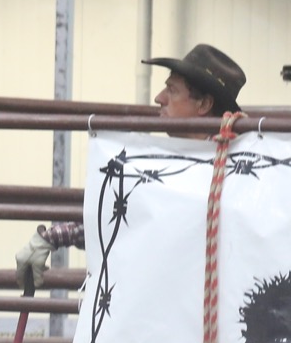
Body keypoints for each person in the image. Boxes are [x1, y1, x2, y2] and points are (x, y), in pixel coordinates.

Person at [14, 45, 246, 291]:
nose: (159, 98)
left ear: (204, 104)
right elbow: (128, 217)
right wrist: (52, 237)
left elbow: (132, 219)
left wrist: (51, 238)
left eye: (172, 90)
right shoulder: (192, 165)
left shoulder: (221, 169)